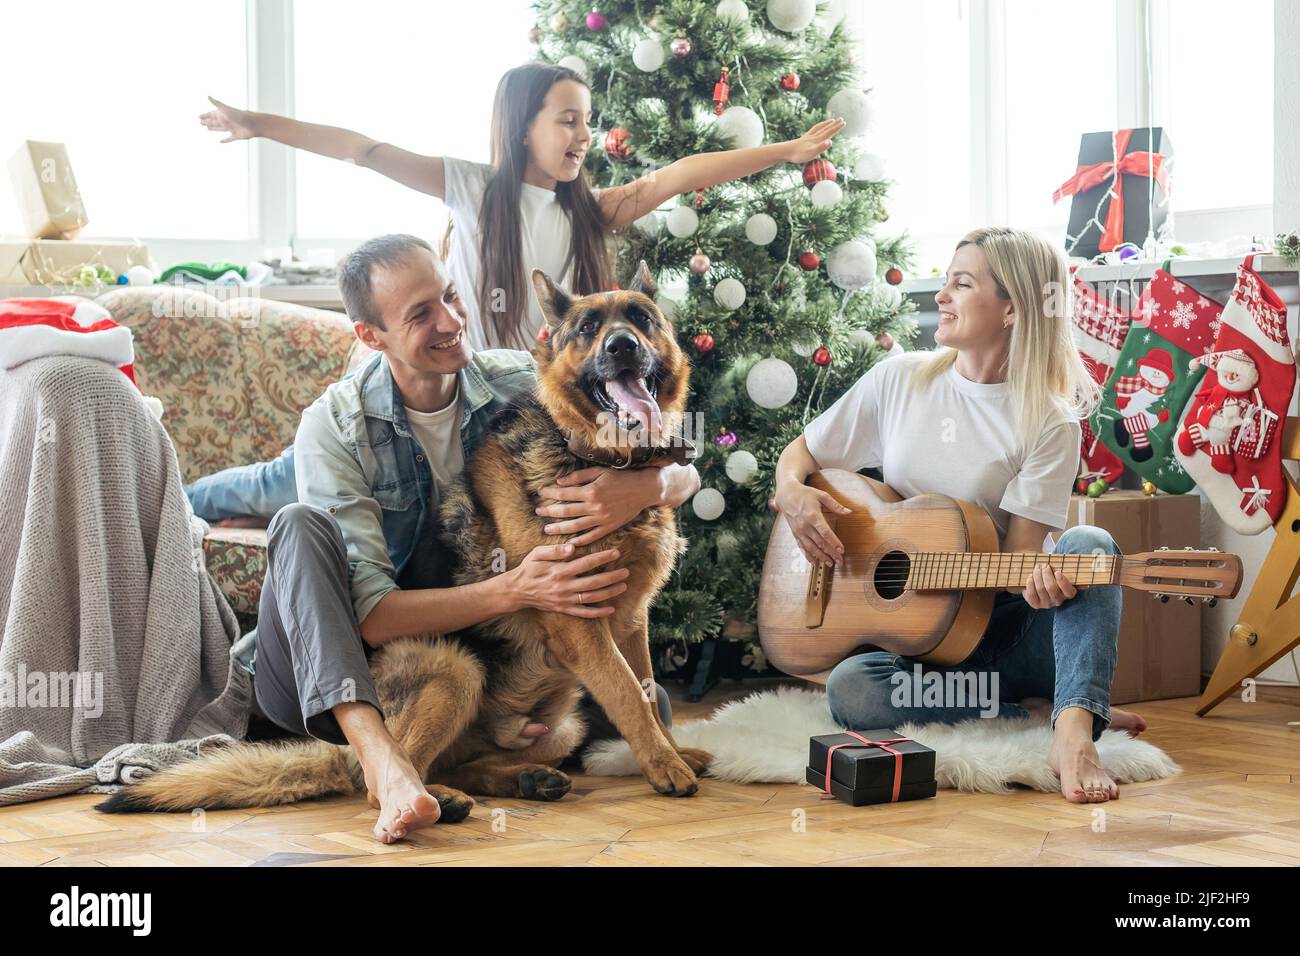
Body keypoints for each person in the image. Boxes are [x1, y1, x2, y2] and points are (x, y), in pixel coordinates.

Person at [187, 61, 845, 522]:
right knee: (278, 483)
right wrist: (258, 124)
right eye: (568, 120)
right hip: (447, 395)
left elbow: (678, 176)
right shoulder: (472, 189)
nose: (584, 136)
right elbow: (363, 150)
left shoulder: (591, 211)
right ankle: (177, 503)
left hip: (515, 413)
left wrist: (787, 152)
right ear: (523, 125)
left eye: (588, 121)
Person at [252, 233, 700, 842]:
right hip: (340, 668)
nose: (451, 321)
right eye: (420, 314)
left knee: (636, 712)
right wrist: (517, 588)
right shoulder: (334, 425)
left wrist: (655, 485)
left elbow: (680, 453)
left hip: (473, 647)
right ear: (370, 336)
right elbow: (373, 617)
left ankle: (480, 761)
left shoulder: (522, 379)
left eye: (451, 296)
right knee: (296, 522)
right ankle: (384, 762)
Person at [773, 227, 1148, 805]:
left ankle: (1073, 730)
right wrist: (792, 495)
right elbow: (802, 454)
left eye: (962, 284)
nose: (940, 297)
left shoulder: (1050, 420)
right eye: (945, 281)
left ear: (1013, 309)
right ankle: (1033, 702)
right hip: (920, 641)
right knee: (854, 691)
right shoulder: (899, 380)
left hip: (1005, 624)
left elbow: (1022, 561)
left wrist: (1041, 582)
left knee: (1091, 543)